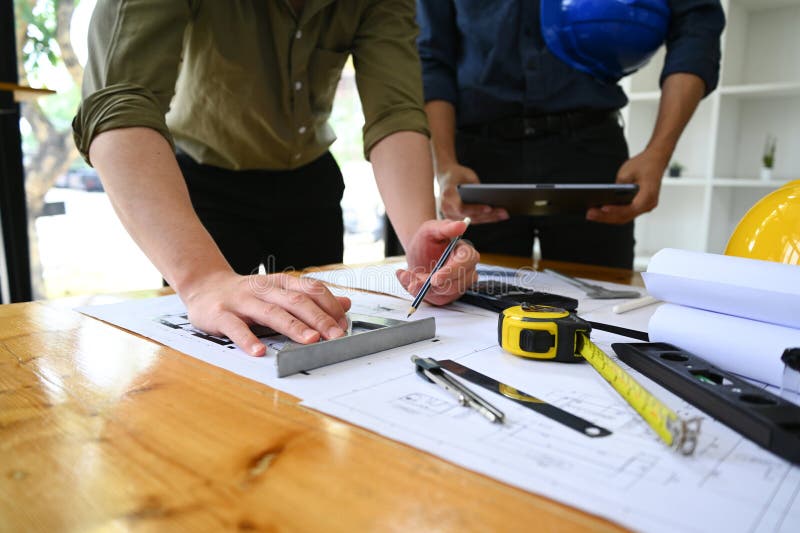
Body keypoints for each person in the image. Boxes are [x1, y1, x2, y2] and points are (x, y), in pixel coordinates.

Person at [72, 0, 478, 356]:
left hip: (309, 185)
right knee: (221, 361)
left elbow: (395, 111)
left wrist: (420, 237)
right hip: (204, 189)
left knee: (323, 348)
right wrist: (202, 280)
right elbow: (119, 99)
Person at [416, 0, 725, 269]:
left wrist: (659, 152)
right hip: (478, 164)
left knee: (600, 314)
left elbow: (696, 26)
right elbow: (431, 56)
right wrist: (444, 164)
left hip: (589, 151)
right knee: (469, 310)